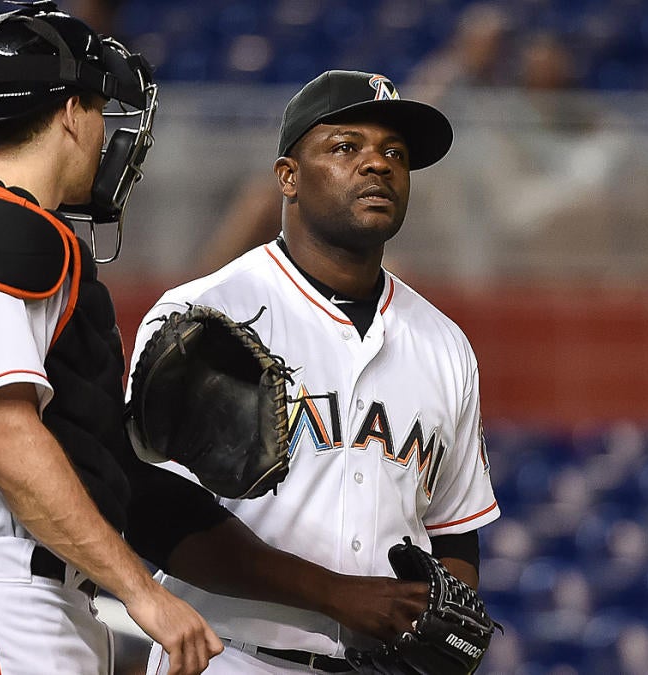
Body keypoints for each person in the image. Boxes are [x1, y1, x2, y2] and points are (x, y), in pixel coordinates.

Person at [0, 4, 224, 673]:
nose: (103, 131)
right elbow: (2, 433)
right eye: (99, 108)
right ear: (71, 113)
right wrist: (143, 592)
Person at [128, 69, 501, 673]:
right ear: (289, 177)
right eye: (346, 146)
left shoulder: (444, 345)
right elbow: (154, 510)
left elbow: (454, 532)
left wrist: (437, 625)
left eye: (395, 154)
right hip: (230, 657)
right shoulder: (203, 316)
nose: (377, 164)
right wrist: (337, 595)